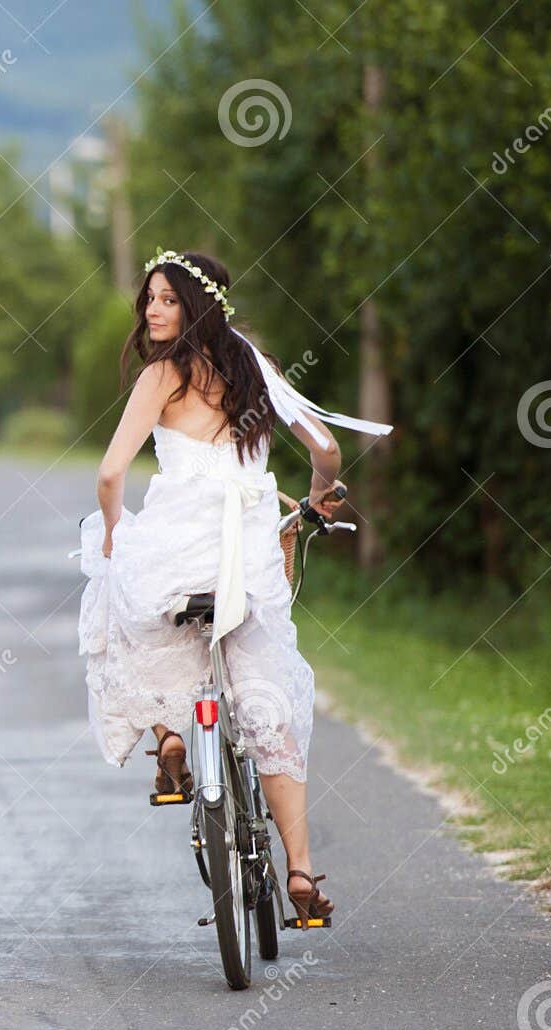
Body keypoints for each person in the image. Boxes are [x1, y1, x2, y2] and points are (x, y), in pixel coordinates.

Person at [77, 250, 391, 927]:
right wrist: (317, 498)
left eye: (166, 299)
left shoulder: (163, 375)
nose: (152, 310)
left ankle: (169, 737)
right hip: (248, 564)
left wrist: (110, 534)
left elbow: (109, 475)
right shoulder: (256, 367)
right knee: (266, 708)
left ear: (196, 304)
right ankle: (299, 872)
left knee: (115, 589)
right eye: (149, 299)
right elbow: (327, 450)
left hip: (176, 555)